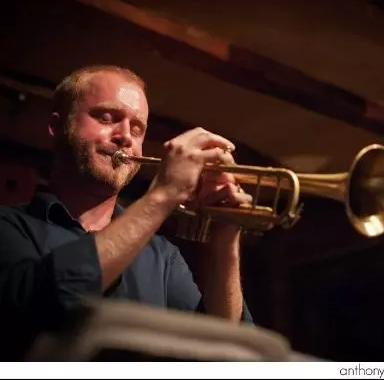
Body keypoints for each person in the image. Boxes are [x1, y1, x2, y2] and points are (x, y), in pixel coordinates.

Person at [0, 65, 253, 361]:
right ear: (57, 127)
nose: (125, 137)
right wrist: (163, 194)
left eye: (137, 129)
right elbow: (41, 305)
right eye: (107, 118)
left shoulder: (161, 256)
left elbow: (221, 351)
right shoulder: (9, 226)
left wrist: (226, 238)